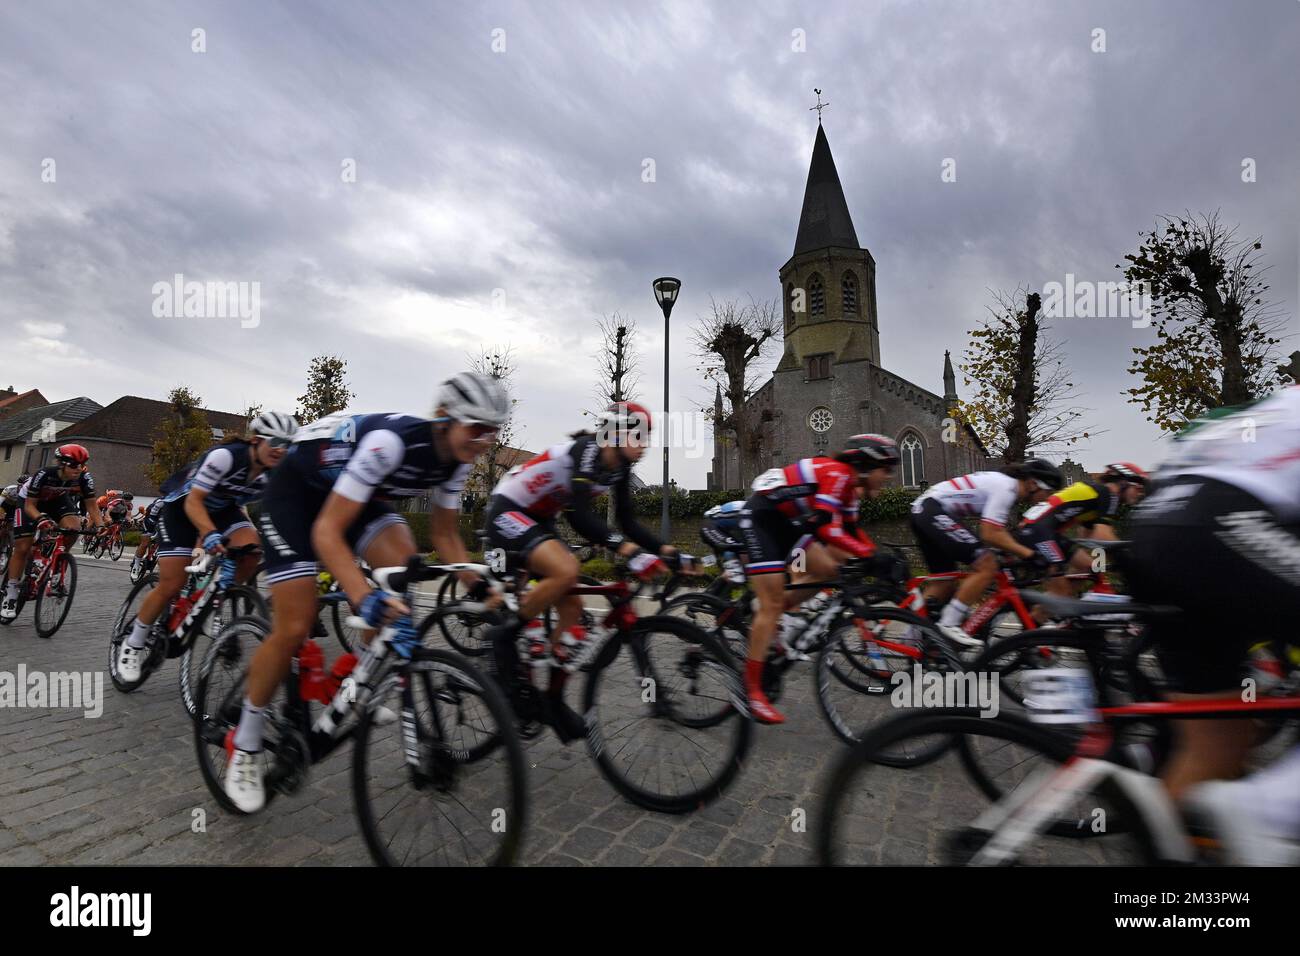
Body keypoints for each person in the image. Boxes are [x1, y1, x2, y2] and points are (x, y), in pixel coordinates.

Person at [224, 372, 508, 814]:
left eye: (494, 430)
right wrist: (361, 595)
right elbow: (326, 531)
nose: (485, 440)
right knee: (295, 625)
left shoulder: (460, 457)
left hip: (354, 495)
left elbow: (446, 534)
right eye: (477, 427)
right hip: (298, 498)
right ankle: (245, 744)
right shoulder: (390, 445)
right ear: (445, 418)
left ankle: (366, 674)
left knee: (403, 566)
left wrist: (484, 583)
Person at [1117, 387, 1300, 865]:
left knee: (1218, 741)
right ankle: (1269, 809)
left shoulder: (1279, 406)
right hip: (1221, 521)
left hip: (1159, 527)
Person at [481, 401, 682, 740]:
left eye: (647, 435)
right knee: (566, 570)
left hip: (540, 519)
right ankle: (502, 636)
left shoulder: (618, 469)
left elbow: (627, 521)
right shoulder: (586, 452)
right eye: (638, 435)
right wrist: (628, 550)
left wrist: (664, 550)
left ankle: (552, 697)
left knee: (573, 610)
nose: (645, 443)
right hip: (509, 510)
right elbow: (580, 518)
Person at [115, 413, 299, 682]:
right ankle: (134, 641)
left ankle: (212, 601)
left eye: (289, 444)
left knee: (252, 551)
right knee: (172, 584)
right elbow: (194, 502)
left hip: (224, 510)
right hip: (183, 510)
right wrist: (209, 534)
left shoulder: (274, 473)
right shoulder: (226, 456)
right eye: (276, 442)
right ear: (256, 441)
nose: (281, 449)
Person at [738, 434, 904, 724]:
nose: (888, 477)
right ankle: (752, 690)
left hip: (788, 522)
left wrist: (875, 554)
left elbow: (850, 533)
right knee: (771, 601)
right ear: (864, 465)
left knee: (830, 568)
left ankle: (781, 620)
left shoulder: (850, 491)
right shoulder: (839, 474)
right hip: (762, 517)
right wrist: (869, 555)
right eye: (885, 469)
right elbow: (827, 529)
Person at [908, 459, 1063, 647]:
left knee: (944, 582)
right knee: (987, 564)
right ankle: (949, 624)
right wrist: (1030, 555)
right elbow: (990, 533)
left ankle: (912, 640)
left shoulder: (1005, 486)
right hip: (932, 510)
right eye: (1047, 492)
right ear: (1033, 484)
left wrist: (1012, 552)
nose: (1047, 499)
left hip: (924, 510)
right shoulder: (1007, 488)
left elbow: (998, 532)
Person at [1015, 463, 1149, 602]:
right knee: (1061, 592)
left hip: (1041, 532)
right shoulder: (1109, 495)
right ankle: (1034, 619)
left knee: (1090, 569)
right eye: (1138, 488)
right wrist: (1128, 562)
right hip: (1039, 534)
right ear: (1123, 483)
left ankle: (1056, 618)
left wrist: (1099, 568)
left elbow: (1089, 537)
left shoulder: (1096, 495)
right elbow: (1102, 535)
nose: (1140, 494)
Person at [2, 447, 100, 619]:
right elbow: (30, 506)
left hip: (57, 500)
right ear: (62, 464)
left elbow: (92, 505)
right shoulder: (44, 474)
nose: (79, 468)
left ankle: (58, 561)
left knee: (74, 528)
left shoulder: (84, 477)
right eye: (74, 464)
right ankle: (10, 594)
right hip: (31, 502)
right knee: (23, 547)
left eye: (82, 464)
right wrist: (41, 519)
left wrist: (100, 526)